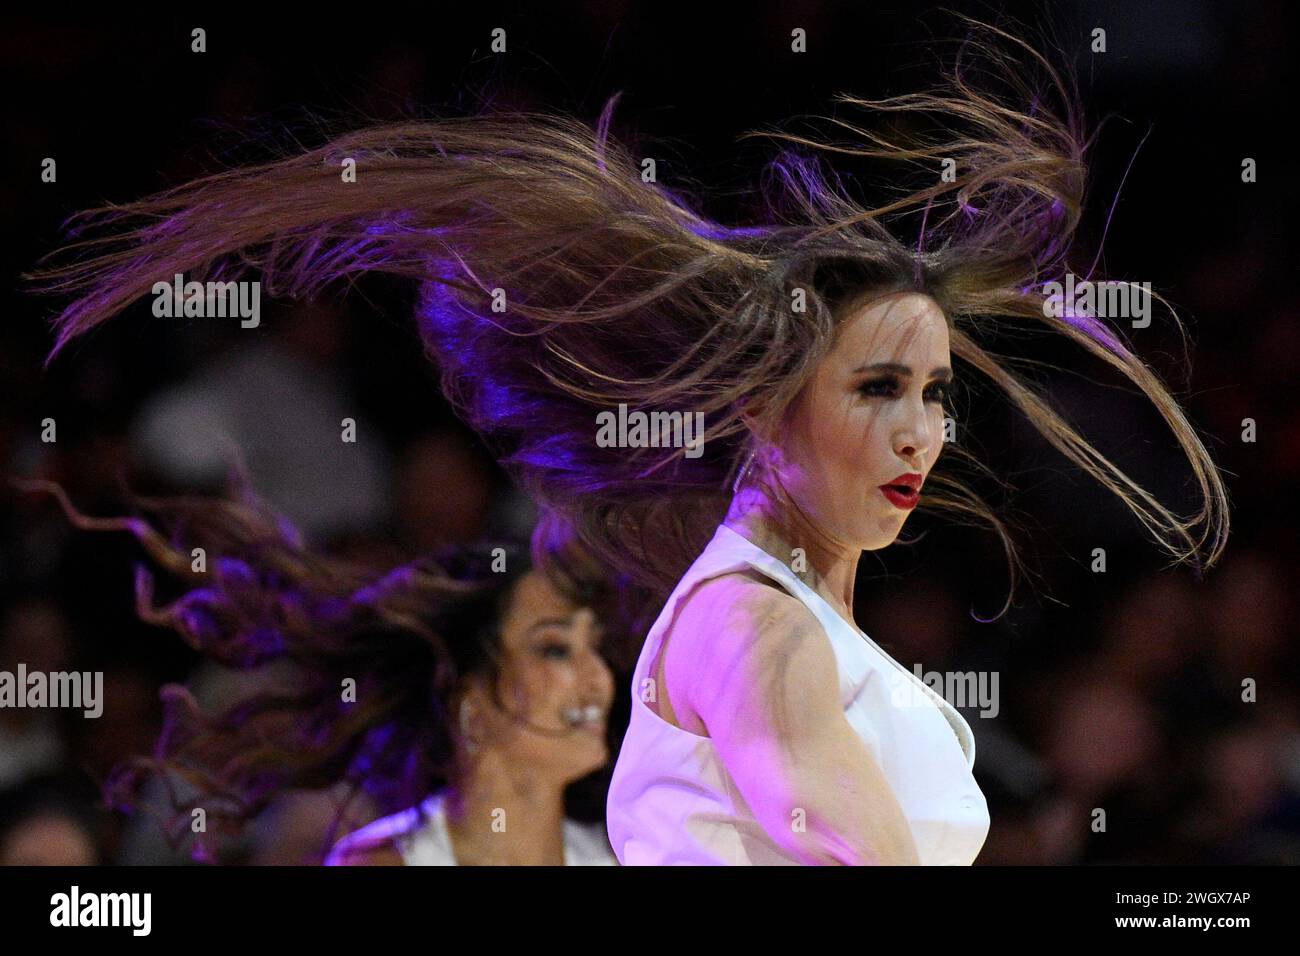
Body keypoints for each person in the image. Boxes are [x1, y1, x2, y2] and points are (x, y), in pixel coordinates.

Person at [26, 17, 1229, 863]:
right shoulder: (748, 621)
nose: (921, 428)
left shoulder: (793, 617)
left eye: (936, 392)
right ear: (763, 403)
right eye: (877, 387)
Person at [15, 479, 620, 865]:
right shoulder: (384, 863)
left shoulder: (623, 852)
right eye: (556, 650)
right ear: (469, 703)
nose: (599, 679)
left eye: (595, 646)